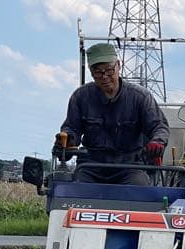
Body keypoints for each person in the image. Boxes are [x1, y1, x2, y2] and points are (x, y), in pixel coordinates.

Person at [54, 42, 170, 185]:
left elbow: (159, 126)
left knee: (138, 188)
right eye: (98, 72)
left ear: (118, 66)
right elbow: (72, 128)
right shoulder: (80, 97)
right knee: (76, 189)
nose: (104, 76)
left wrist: (157, 141)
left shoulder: (140, 97)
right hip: (90, 167)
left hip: (130, 168)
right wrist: (67, 139)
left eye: (109, 70)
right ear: (91, 72)